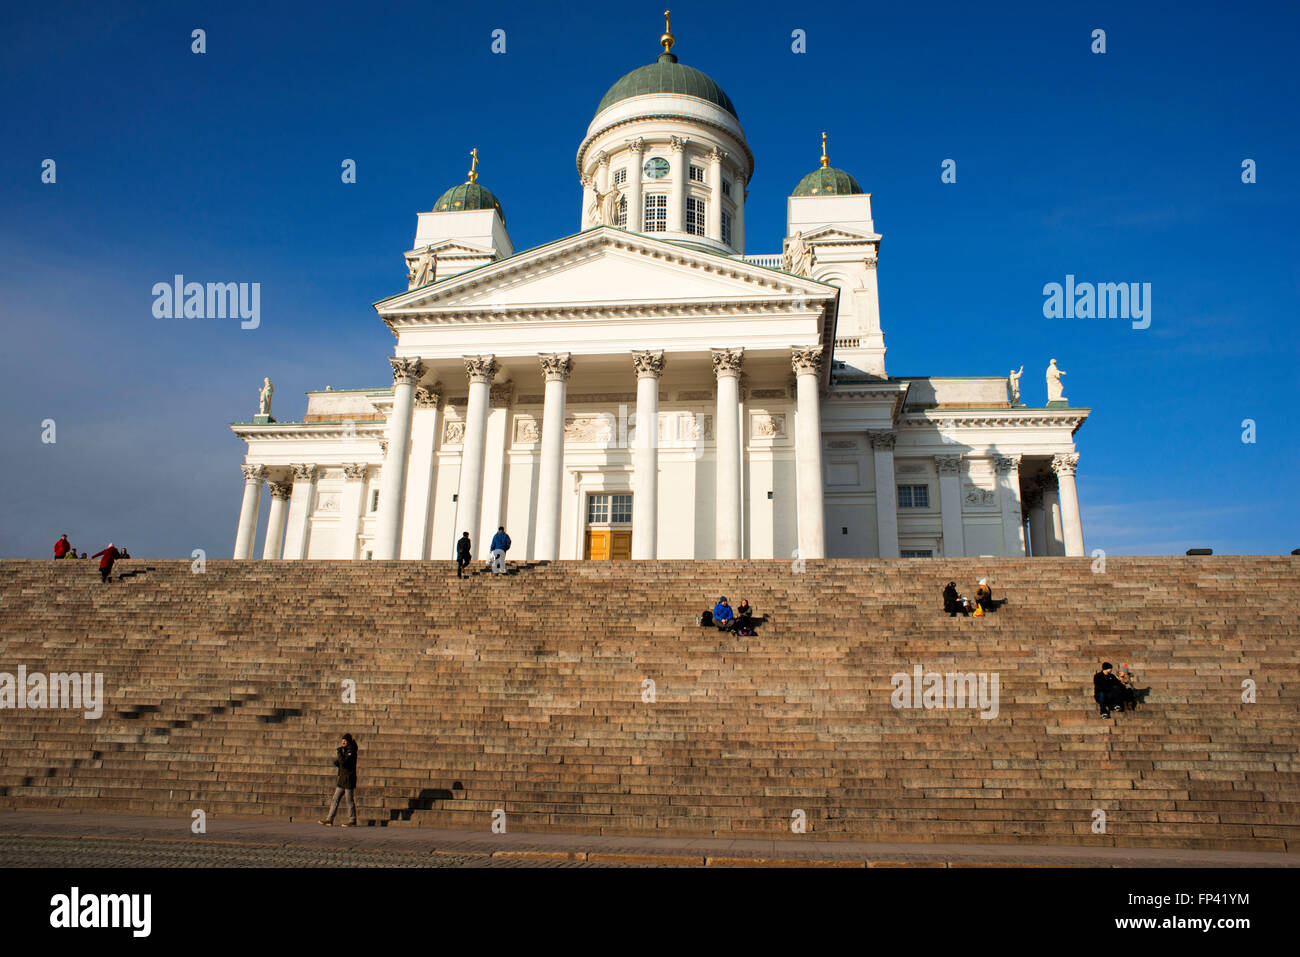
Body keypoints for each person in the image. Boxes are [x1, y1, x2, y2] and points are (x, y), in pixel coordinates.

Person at [320, 733, 359, 826]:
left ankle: (352, 820)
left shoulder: (351, 751)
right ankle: (329, 819)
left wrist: (339, 754)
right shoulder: (345, 751)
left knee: (349, 800)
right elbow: (340, 763)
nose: (343, 742)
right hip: (342, 779)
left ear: (348, 742)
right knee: (335, 799)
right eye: (342, 741)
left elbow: (345, 763)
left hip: (348, 779)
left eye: (345, 741)